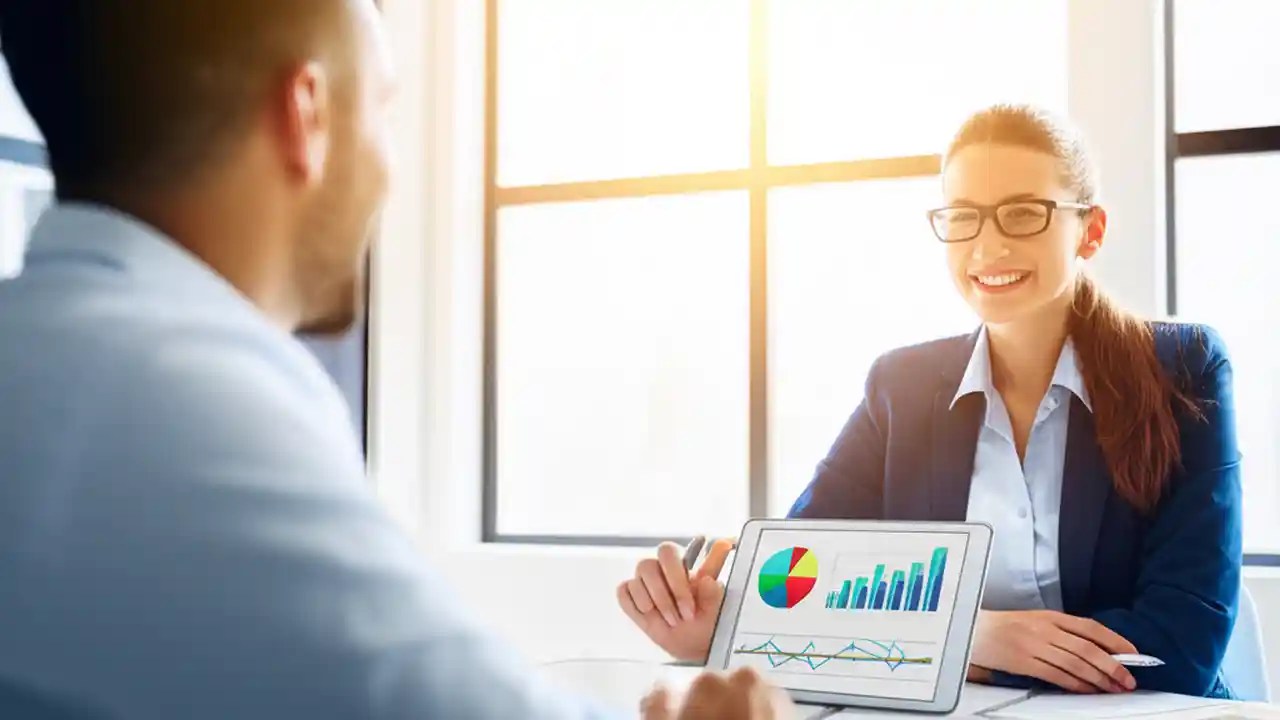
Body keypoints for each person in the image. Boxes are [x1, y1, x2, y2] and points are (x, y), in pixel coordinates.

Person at [0, 2, 793, 718]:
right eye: (382, 108)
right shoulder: (169, 399)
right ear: (305, 113)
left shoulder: (54, 355)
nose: (390, 165)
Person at [619, 104, 1243, 700]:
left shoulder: (1181, 370)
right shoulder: (902, 389)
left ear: (1091, 230)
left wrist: (955, 654)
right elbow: (800, 588)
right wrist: (717, 623)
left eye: (1022, 213)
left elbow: (1181, 647)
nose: (988, 247)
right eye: (964, 215)